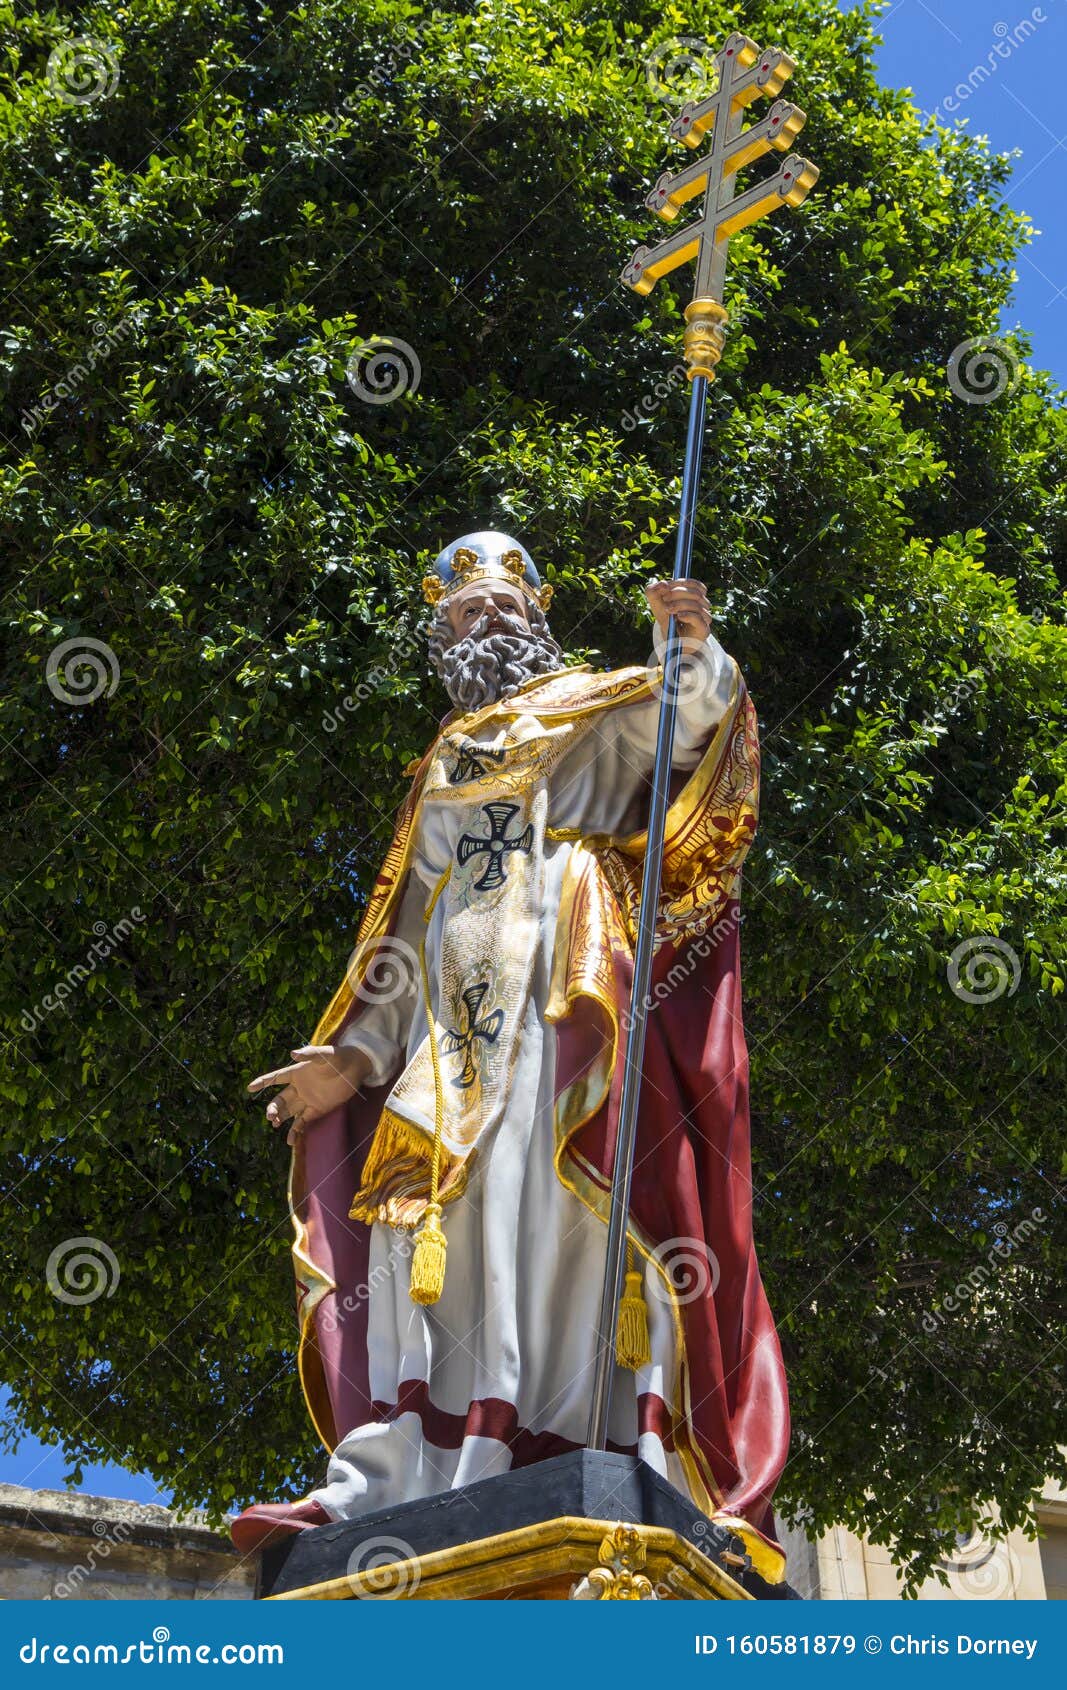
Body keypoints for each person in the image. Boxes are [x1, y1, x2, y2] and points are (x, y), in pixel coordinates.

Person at [231, 532, 788, 1582]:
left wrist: (689, 650)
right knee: (434, 1218)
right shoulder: (442, 761)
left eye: (502, 603)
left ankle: (590, 1429)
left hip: (567, 990)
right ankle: (413, 1461)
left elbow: (696, 735)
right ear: (439, 631)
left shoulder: (596, 703)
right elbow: (401, 931)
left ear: (538, 611)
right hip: (449, 1017)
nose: (484, 619)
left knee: (552, 1195)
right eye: (464, 609)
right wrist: (350, 1061)